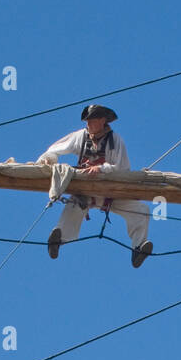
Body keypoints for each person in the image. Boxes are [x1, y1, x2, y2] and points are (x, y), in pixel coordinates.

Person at [37, 105, 152, 267]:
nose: (89, 124)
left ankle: (138, 248)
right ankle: (58, 241)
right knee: (73, 206)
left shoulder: (115, 140)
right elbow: (55, 149)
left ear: (103, 121)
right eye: (87, 120)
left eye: (92, 120)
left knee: (141, 210)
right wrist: (48, 159)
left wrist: (101, 168)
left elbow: (122, 169)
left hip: (111, 195)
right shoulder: (80, 137)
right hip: (85, 192)